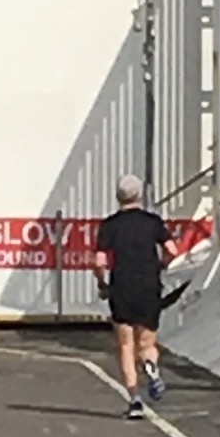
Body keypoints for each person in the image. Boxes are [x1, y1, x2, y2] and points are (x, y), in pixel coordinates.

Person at [95, 175, 174, 413]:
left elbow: (99, 260)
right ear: (140, 195)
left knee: (126, 344)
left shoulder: (110, 225)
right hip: (149, 285)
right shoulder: (153, 222)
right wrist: (162, 265)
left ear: (118, 196)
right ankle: (150, 364)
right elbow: (172, 249)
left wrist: (102, 281)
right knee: (147, 341)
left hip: (122, 286)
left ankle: (134, 399)